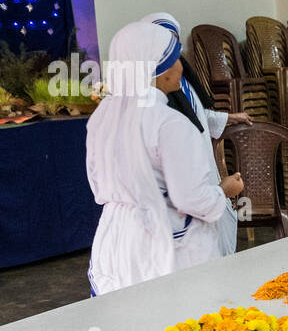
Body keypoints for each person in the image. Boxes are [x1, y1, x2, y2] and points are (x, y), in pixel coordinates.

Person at [86, 21, 244, 296]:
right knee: (177, 324)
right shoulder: (169, 123)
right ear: (159, 70)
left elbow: (98, 187)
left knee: (126, 322)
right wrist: (224, 190)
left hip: (118, 237)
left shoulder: (104, 117)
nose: (181, 68)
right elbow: (191, 199)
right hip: (167, 244)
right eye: (175, 60)